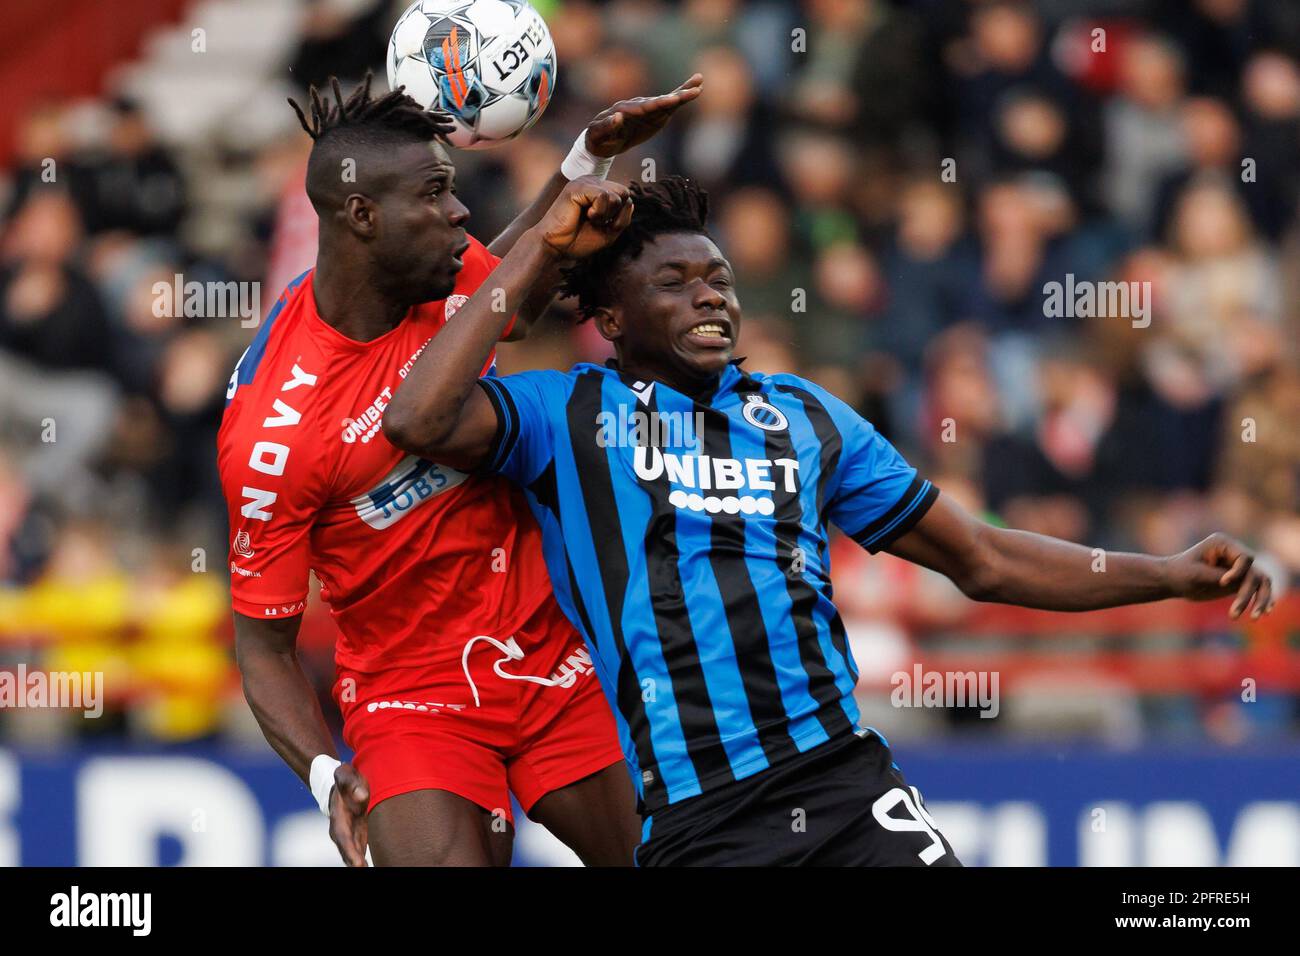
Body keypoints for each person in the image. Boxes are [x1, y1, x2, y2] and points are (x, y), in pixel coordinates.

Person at [380, 174, 1276, 866]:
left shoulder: (804, 417)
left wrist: (1165, 571)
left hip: (843, 778)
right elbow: (417, 419)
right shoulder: (562, 415)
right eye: (676, 282)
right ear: (610, 316)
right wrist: (539, 250)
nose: (711, 297)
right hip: (699, 816)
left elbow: (984, 558)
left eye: (720, 280)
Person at [218, 74, 702, 866]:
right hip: (412, 696)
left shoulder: (427, 284)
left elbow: (512, 285)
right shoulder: (274, 433)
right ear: (362, 215)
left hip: (553, 650)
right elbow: (263, 648)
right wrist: (321, 770)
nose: (460, 212)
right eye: (437, 193)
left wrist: (588, 158)